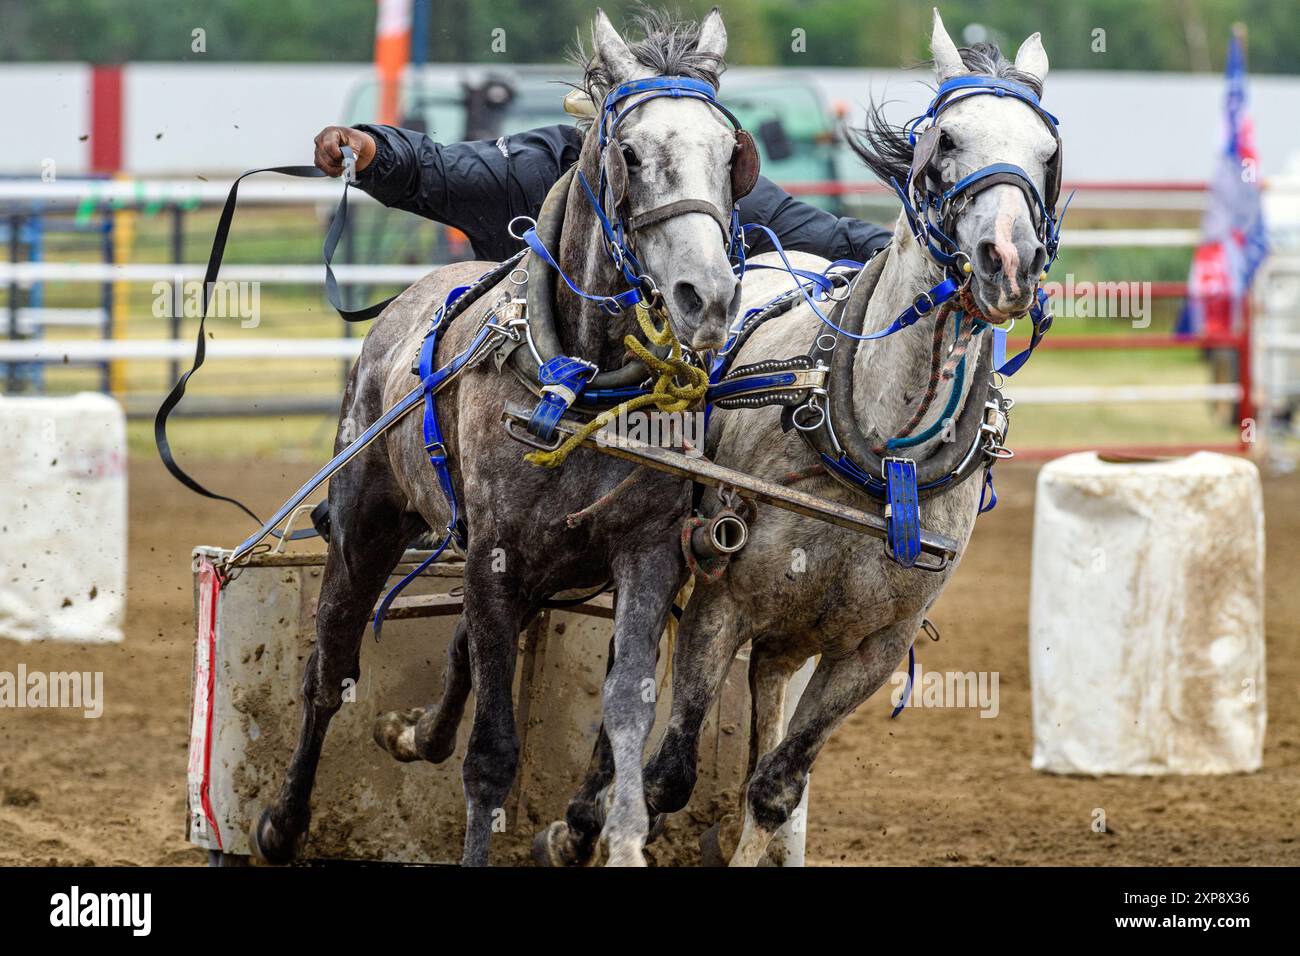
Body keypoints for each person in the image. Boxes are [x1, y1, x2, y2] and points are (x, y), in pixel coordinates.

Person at [312, 122, 891, 265]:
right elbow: (439, 168)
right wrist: (371, 148)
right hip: (532, 387)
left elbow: (833, 239)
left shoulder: (730, 197)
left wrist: (935, 260)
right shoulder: (542, 173)